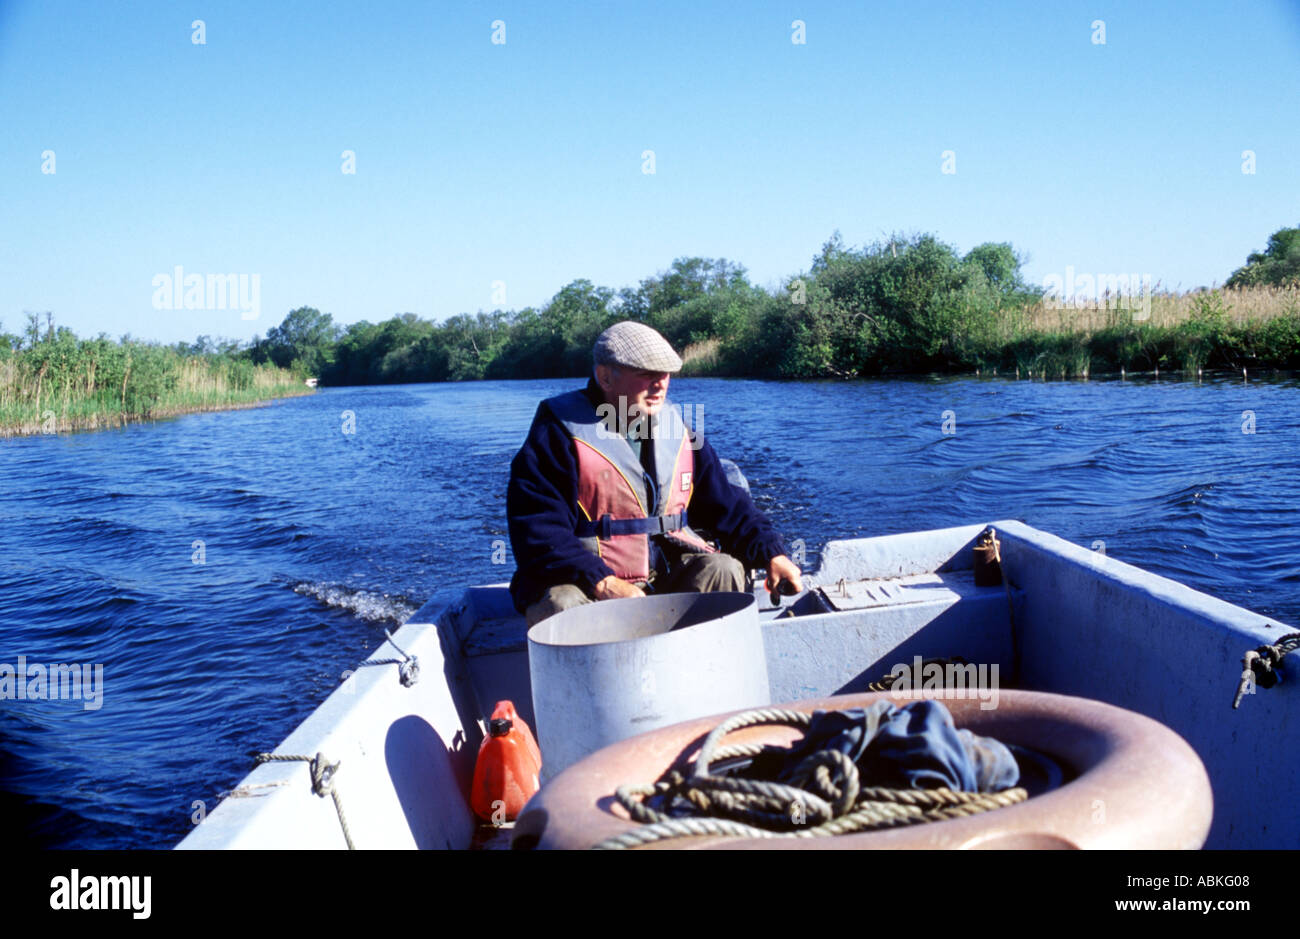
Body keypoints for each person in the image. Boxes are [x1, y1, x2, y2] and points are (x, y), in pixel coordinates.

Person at [507, 320, 803, 626]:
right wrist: (603, 582)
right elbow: (537, 534)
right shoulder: (556, 434)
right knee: (562, 602)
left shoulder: (679, 431)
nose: (660, 383)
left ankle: (700, 670)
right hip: (587, 582)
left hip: (660, 575)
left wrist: (772, 553)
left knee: (723, 568)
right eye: (646, 374)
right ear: (606, 377)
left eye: (665, 374)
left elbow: (729, 506)